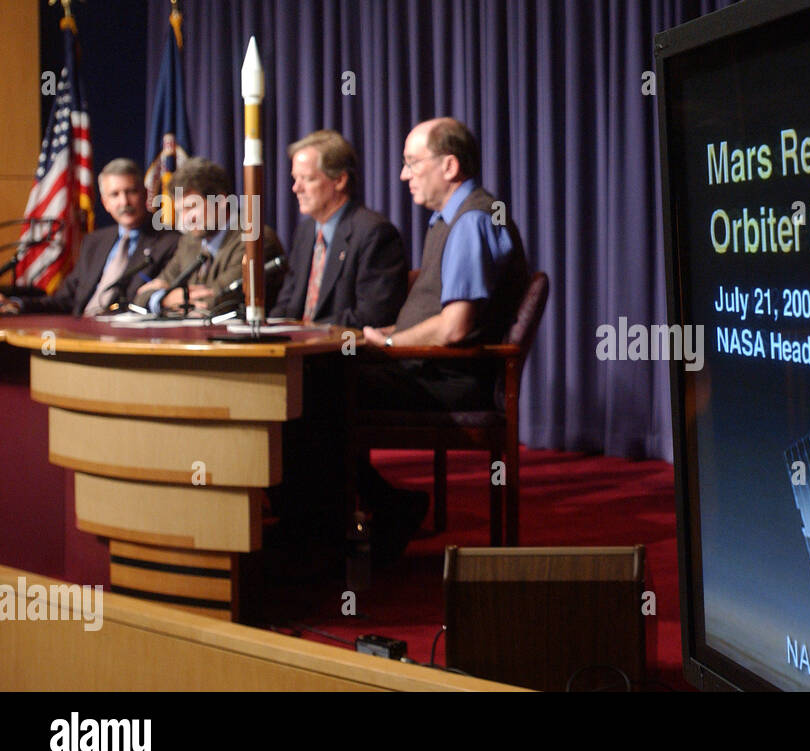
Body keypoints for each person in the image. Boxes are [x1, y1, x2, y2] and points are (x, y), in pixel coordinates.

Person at [358, 117, 530, 561]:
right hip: (428, 368)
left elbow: (454, 327)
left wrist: (390, 346)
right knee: (318, 379)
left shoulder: (472, 222)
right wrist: (388, 336)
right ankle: (364, 511)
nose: (403, 175)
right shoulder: (449, 220)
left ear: (449, 165)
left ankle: (374, 511)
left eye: (412, 163)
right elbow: (436, 311)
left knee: (314, 391)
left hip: (448, 381)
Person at [0, 159, 179, 316]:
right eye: (115, 194)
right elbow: (64, 301)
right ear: (105, 203)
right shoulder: (94, 242)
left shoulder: (170, 242)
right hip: (79, 330)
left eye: (131, 192)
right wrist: (16, 304)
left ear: (146, 194)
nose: (124, 202)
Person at [269, 130, 407, 327]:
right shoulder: (306, 231)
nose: (296, 188)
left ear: (339, 180)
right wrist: (269, 330)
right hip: (300, 352)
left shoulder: (374, 233)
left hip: (344, 353)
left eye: (307, 179)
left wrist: (309, 332)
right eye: (295, 178)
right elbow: (287, 303)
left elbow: (372, 316)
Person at [134, 157, 285, 315]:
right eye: (180, 211)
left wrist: (172, 298)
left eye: (191, 207)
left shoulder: (255, 239)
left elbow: (218, 303)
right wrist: (164, 299)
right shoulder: (189, 242)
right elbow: (142, 296)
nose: (186, 219)